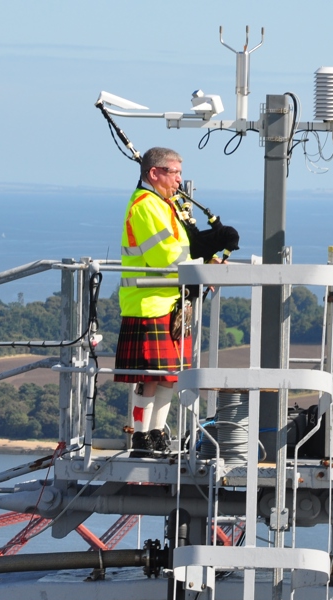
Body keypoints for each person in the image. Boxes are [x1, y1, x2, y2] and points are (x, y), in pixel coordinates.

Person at [115, 147, 220, 457]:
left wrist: (207, 254)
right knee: (149, 380)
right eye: (174, 172)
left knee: (169, 379)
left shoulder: (165, 204)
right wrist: (203, 262)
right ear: (154, 173)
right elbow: (167, 257)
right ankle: (140, 436)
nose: (179, 179)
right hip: (148, 303)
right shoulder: (145, 206)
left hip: (170, 303)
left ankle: (157, 432)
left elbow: (183, 246)